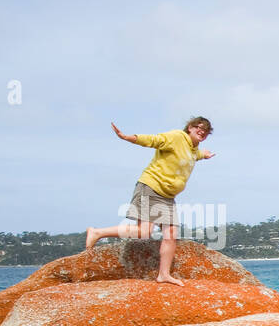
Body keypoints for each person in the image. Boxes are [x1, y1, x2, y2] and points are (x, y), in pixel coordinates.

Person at [84, 117, 214, 286]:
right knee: (143, 232)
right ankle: (97, 233)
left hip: (167, 197)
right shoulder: (176, 137)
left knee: (171, 235)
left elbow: (195, 155)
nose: (202, 131)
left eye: (206, 131)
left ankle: (164, 275)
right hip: (151, 188)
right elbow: (154, 140)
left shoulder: (193, 149)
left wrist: (204, 155)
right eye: (199, 127)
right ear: (190, 127)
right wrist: (127, 137)